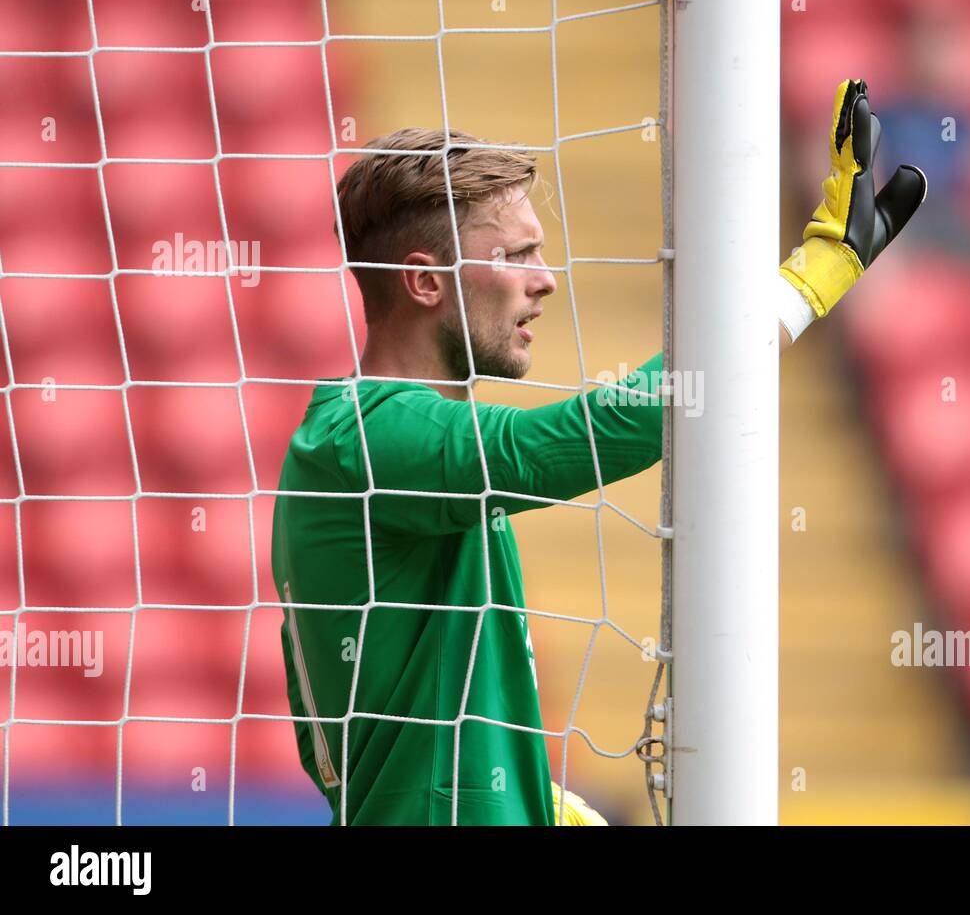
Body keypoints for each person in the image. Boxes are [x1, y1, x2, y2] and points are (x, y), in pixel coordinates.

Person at [270, 79, 925, 825]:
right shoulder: (364, 438)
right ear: (424, 280)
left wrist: (527, 798)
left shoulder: (388, 448)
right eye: (517, 255)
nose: (546, 281)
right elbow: (595, 433)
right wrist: (808, 280)